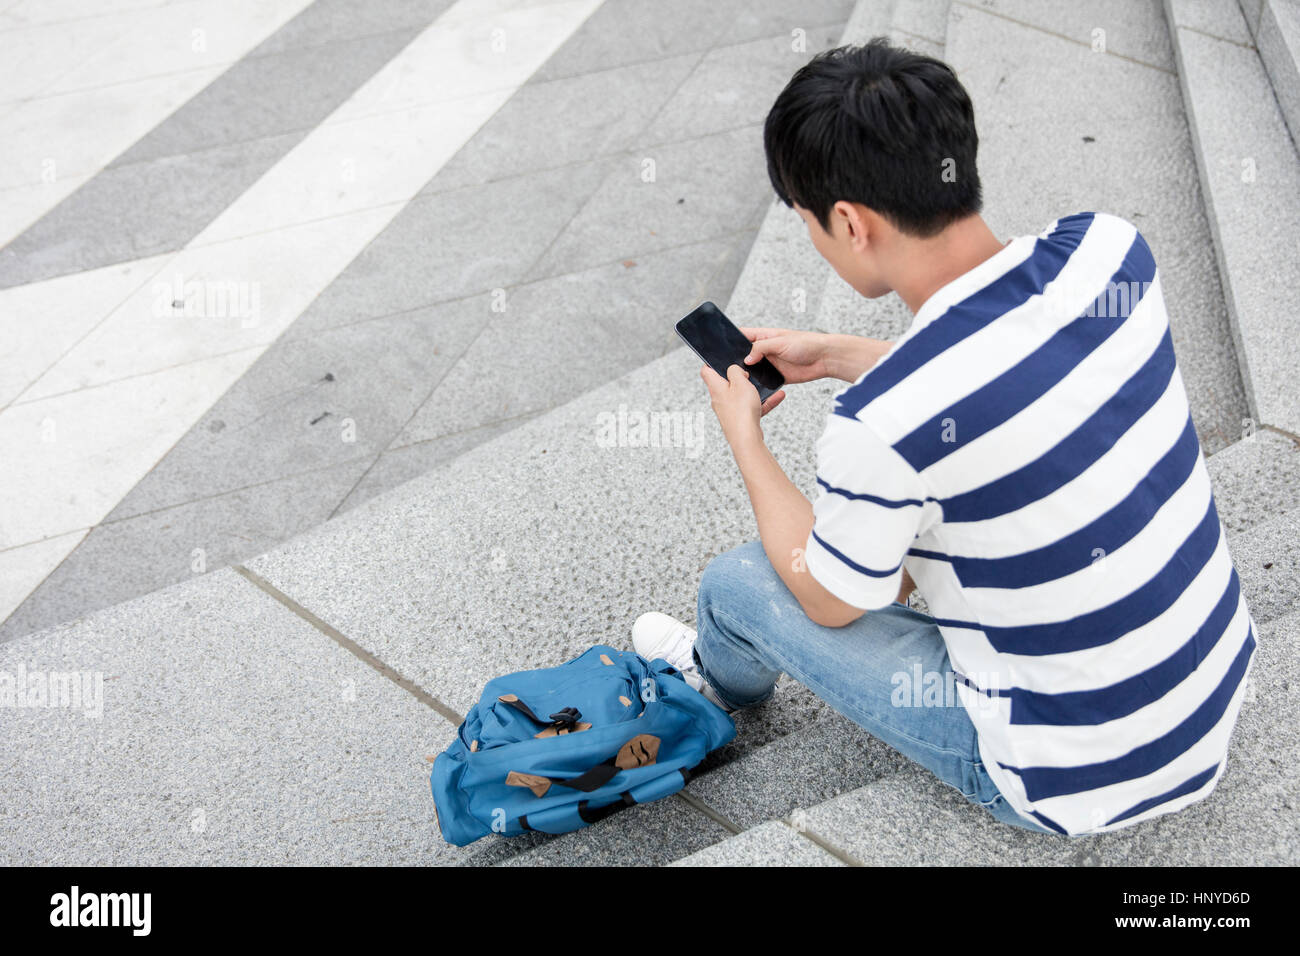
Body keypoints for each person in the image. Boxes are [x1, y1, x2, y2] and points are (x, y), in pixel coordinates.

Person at [631, 38, 1257, 837]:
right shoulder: (1109, 253)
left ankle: (714, 689)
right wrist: (841, 355)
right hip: (1212, 694)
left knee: (736, 586)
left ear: (850, 223)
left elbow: (838, 596)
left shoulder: (882, 429)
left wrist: (744, 437)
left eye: (809, 224)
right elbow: (1021, 369)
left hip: (1066, 781)